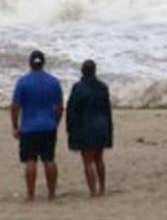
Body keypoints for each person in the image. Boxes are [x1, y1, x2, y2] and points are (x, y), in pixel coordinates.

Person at [11, 49, 63, 202]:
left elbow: (15, 106)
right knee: (49, 160)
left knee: (30, 160)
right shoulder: (53, 81)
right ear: (43, 63)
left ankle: (31, 194)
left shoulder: (23, 82)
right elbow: (60, 106)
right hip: (48, 125)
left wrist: (15, 125)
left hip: (29, 127)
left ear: (30, 63)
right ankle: (52, 194)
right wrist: (56, 121)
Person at [65, 59, 113, 198]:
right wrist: (109, 128)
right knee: (99, 159)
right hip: (102, 125)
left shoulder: (78, 88)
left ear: (82, 71)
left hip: (86, 126)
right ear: (95, 71)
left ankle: (93, 191)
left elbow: (72, 110)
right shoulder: (103, 87)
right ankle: (102, 188)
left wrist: (70, 128)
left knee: (88, 161)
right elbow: (107, 109)